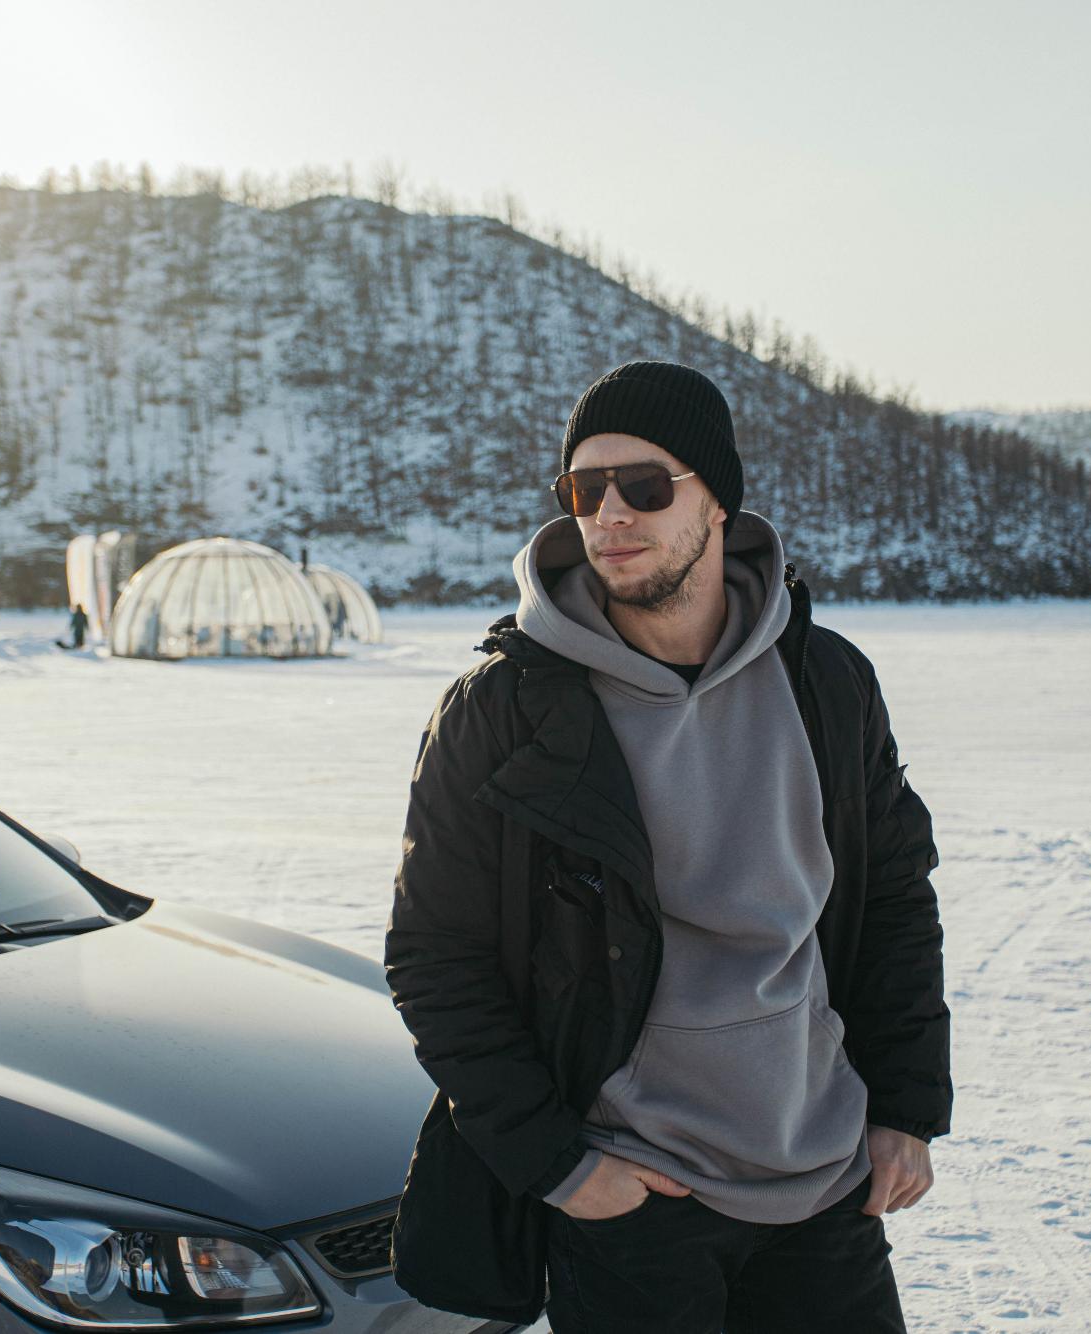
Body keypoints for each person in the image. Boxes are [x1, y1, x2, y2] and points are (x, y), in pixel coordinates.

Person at [384, 360, 951, 1333]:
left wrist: (903, 1102)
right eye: (583, 488)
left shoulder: (825, 682)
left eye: (644, 484)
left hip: (820, 1181)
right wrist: (559, 1164)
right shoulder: (506, 710)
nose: (609, 512)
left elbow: (893, 897)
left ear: (716, 499)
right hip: (633, 1201)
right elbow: (434, 957)